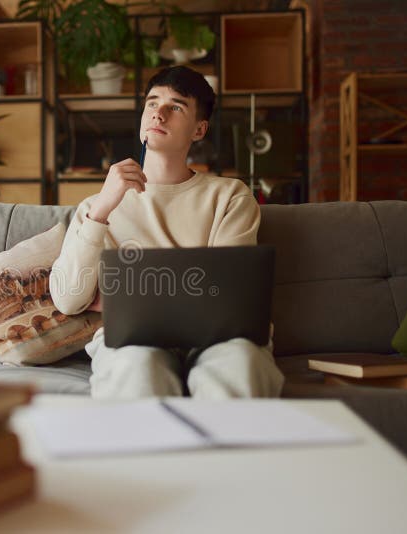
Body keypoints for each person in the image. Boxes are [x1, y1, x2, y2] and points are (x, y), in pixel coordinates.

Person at [49, 66, 285, 400]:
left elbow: (228, 296)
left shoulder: (230, 196)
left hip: (219, 339)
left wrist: (125, 294)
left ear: (199, 129)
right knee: (136, 368)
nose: (158, 113)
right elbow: (69, 299)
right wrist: (101, 212)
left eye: (175, 106)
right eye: (151, 103)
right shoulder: (96, 205)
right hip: (134, 342)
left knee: (240, 364)